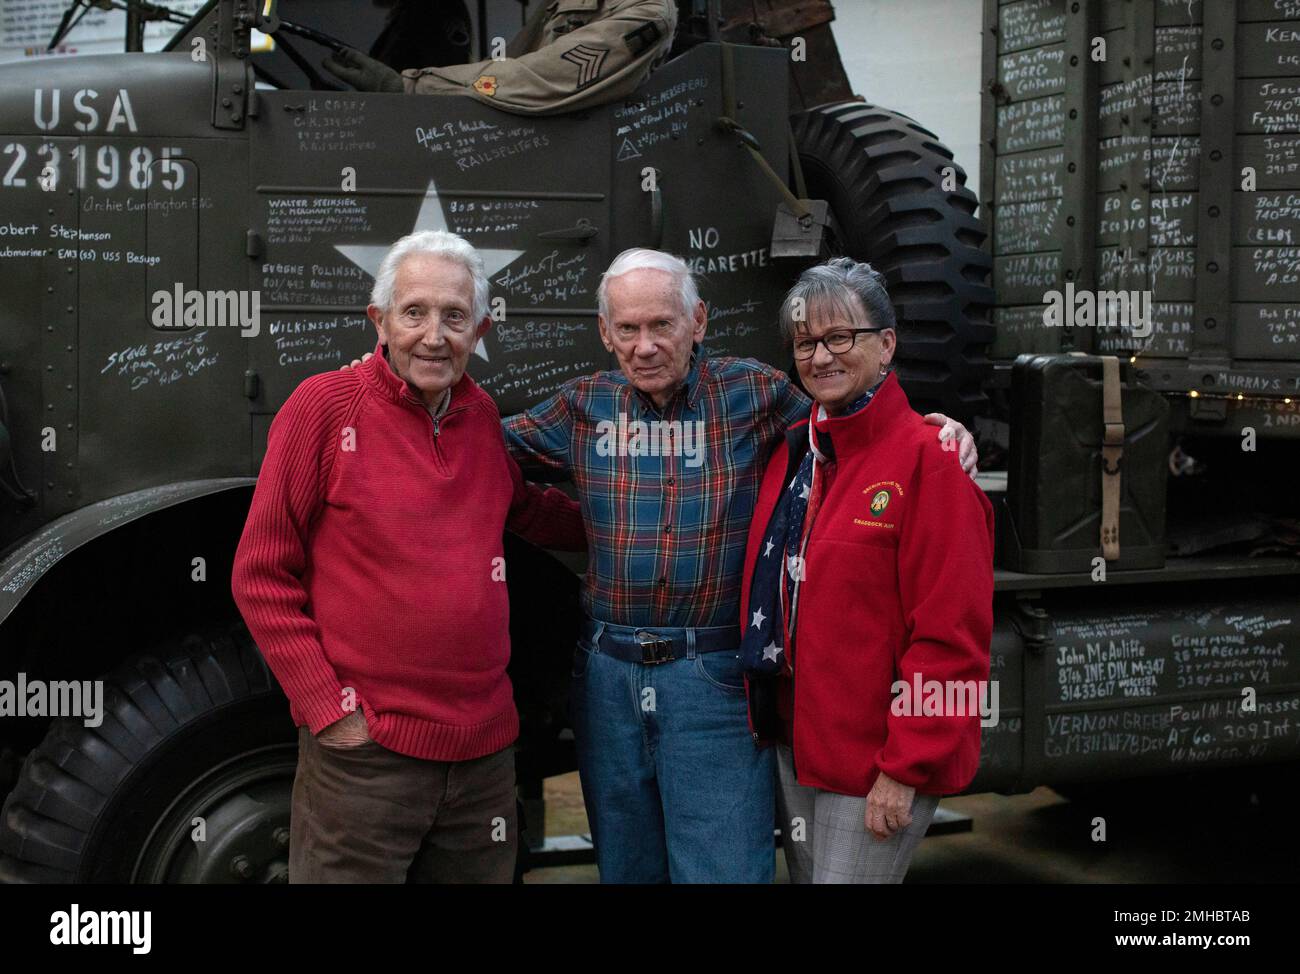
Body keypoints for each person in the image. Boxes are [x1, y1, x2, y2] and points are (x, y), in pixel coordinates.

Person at [499, 248, 979, 882]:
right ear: (605, 333)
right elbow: (478, 453)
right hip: (607, 679)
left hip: (714, 678)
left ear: (698, 321)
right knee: (627, 867)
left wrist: (938, 432)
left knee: (720, 868)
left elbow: (850, 417)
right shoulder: (582, 408)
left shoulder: (754, 394)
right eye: (628, 328)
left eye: (662, 325)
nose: (645, 346)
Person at [231, 229, 585, 883]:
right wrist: (329, 712)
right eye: (414, 311)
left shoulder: (478, 418)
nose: (433, 334)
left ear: (478, 328)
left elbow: (523, 511)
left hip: (482, 757)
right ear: (380, 320)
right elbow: (260, 573)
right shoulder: (321, 408)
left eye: (454, 316)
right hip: (367, 756)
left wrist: (624, 526)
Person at [738, 257, 994, 884]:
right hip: (798, 747)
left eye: (840, 338)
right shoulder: (796, 452)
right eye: (805, 342)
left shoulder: (929, 465)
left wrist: (906, 770)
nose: (821, 356)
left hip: (877, 764)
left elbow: (952, 638)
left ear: (886, 345)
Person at [323, 0, 678, 115]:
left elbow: (538, 79)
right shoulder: (563, 5)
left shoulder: (646, 12)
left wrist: (410, 86)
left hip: (578, 176)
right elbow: (503, 72)